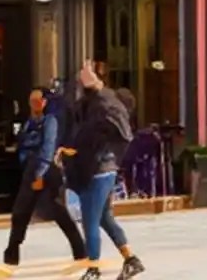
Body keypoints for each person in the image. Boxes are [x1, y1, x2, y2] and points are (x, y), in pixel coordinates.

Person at [0, 86, 86, 276]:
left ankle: (79, 250)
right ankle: (12, 254)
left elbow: (48, 149)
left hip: (44, 171)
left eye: (37, 100)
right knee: (27, 212)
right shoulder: (28, 123)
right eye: (31, 100)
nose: (34, 104)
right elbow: (24, 144)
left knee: (47, 212)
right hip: (30, 170)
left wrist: (40, 175)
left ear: (44, 103)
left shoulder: (49, 122)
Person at [65, 61, 144, 280]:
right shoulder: (94, 110)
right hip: (99, 170)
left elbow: (108, 113)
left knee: (90, 220)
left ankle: (94, 270)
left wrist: (98, 86)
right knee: (103, 218)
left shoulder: (109, 110)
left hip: (98, 172)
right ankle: (131, 259)